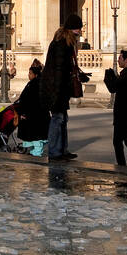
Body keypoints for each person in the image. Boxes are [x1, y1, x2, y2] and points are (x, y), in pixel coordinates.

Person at [40, 13, 85, 161]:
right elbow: (59, 69)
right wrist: (57, 91)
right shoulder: (62, 43)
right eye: (78, 28)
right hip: (55, 87)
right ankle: (54, 152)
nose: (80, 31)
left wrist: (80, 75)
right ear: (72, 29)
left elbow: (67, 67)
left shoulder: (66, 42)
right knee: (57, 119)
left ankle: (62, 149)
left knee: (63, 119)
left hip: (59, 87)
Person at [103, 50, 127, 166]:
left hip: (124, 114)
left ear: (126, 60)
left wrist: (109, 79)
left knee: (120, 141)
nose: (118, 60)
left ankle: (124, 164)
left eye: (120, 58)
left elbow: (114, 88)